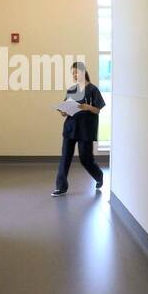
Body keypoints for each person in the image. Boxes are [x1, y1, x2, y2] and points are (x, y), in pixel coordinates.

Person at [52, 61, 106, 196]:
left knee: (85, 158)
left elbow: (98, 110)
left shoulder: (93, 90)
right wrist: (63, 111)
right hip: (70, 128)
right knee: (65, 157)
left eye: (76, 72)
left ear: (83, 72)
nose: (75, 75)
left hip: (85, 130)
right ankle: (61, 187)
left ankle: (99, 176)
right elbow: (66, 110)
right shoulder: (72, 90)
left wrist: (87, 107)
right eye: (73, 73)